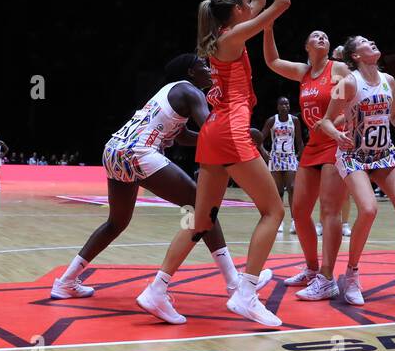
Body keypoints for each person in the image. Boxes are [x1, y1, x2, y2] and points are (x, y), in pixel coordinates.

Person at [136, 0, 289, 327]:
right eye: (245, 5)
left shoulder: (225, 34)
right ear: (237, 11)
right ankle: (247, 293)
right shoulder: (234, 37)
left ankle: (156, 288)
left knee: (200, 218)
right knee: (273, 210)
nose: (250, 7)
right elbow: (281, 4)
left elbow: (259, 2)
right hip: (232, 131)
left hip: (213, 134)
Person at [53, 55, 273, 301]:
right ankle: (233, 283)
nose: (209, 69)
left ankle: (66, 281)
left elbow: (184, 137)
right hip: (138, 151)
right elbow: (212, 131)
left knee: (116, 223)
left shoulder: (171, 91)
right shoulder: (191, 92)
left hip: (114, 150)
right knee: (202, 206)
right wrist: (245, 134)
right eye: (203, 66)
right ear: (191, 72)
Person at [314, 34, 395, 307]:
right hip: (353, 155)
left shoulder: (389, 80)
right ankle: (351, 275)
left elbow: (394, 116)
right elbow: (326, 121)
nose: (372, 42)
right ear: (356, 55)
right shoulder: (347, 83)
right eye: (364, 41)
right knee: (368, 209)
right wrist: (337, 135)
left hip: (383, 154)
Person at [262, 26, 353, 297]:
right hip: (313, 146)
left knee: (329, 211)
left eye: (325, 36)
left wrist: (334, 123)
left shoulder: (338, 68)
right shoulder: (303, 72)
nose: (321, 37)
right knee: (300, 211)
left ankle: (327, 278)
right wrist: (268, 27)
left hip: (335, 142)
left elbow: (354, 101)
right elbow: (272, 61)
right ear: (307, 46)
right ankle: (312, 269)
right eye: (315, 36)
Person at [261, 97, 303, 237]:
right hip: (276, 158)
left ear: (289, 106)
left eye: (287, 103)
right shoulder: (272, 121)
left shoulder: (294, 120)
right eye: (282, 104)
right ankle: (279, 221)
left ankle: (294, 221)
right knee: (278, 191)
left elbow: (299, 141)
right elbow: (259, 138)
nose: (285, 106)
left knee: (292, 188)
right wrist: (264, 152)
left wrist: (300, 156)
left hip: (290, 157)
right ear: (277, 106)